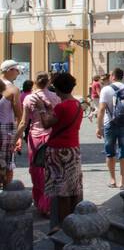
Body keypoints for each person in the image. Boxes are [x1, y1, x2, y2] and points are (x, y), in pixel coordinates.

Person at [38, 71, 84, 232]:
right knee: (74, 188)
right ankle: (76, 220)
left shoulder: (62, 107)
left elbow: (46, 124)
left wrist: (41, 110)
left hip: (58, 151)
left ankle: (64, 225)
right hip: (73, 149)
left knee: (61, 190)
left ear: (58, 89)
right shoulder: (78, 105)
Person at [17, 73, 58, 215]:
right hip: (51, 136)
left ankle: (40, 200)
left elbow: (23, 122)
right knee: (50, 170)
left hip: (35, 137)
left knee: (36, 169)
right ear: (48, 83)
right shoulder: (55, 97)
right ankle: (48, 203)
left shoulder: (29, 98)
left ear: (35, 82)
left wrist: (15, 138)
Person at [96, 67, 124, 190]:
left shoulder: (106, 89)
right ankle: (123, 182)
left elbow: (101, 110)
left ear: (112, 76)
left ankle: (112, 180)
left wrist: (98, 127)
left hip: (109, 124)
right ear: (122, 77)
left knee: (110, 153)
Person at [0, 60, 24, 190]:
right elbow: (19, 115)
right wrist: (19, 136)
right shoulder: (13, 89)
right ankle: (6, 193)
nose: (18, 73)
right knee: (8, 164)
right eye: (16, 70)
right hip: (6, 129)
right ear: (9, 70)